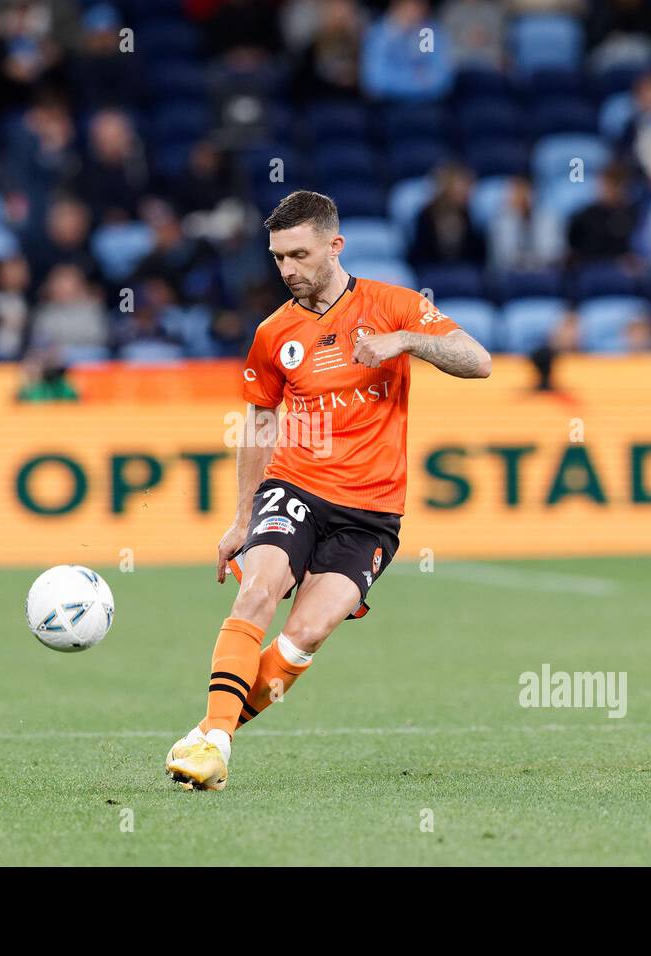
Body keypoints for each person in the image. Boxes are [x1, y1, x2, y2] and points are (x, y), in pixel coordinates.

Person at [164, 190, 490, 791]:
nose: (287, 269)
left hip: (371, 512)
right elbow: (259, 423)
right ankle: (214, 743)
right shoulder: (272, 333)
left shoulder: (394, 307)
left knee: (307, 634)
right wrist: (241, 520)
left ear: (334, 246)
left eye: (298, 254)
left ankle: (213, 734)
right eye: (278, 257)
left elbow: (479, 361)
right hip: (296, 487)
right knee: (260, 589)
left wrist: (408, 342)